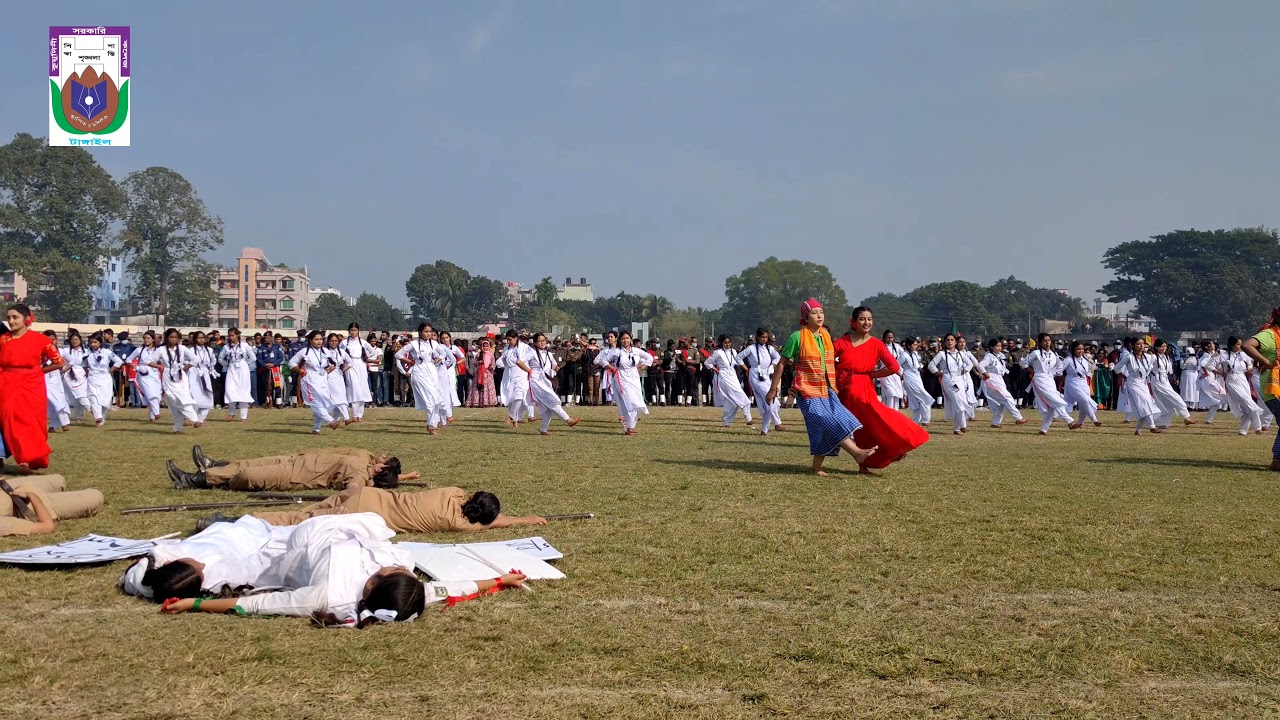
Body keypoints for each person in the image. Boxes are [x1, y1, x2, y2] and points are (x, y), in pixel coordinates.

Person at [161, 513, 525, 627]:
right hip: (346, 530)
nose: (399, 566)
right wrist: (501, 580)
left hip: (303, 544)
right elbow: (455, 587)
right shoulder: (411, 594)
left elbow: (254, 605)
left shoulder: (327, 596)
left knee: (244, 544)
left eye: (393, 569)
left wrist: (192, 605)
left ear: (374, 583)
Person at [766, 299, 877, 475]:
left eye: (821, 312)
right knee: (827, 422)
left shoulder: (825, 335)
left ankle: (817, 468)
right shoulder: (797, 337)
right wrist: (773, 389)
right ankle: (857, 453)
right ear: (805, 316)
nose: (819, 316)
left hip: (827, 391)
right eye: (814, 313)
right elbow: (781, 363)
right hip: (808, 391)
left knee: (834, 423)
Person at [831, 307, 928, 472]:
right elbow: (827, 361)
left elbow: (894, 366)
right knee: (863, 426)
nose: (866, 322)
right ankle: (873, 458)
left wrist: (872, 374)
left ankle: (893, 447)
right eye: (862, 319)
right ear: (854, 321)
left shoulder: (876, 344)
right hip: (844, 387)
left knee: (872, 422)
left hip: (863, 388)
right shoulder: (842, 341)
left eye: (869, 319)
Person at [247, 485, 549, 534]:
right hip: (365, 514)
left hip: (367, 493)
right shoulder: (457, 524)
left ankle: (249, 518)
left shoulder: (453, 493)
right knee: (299, 521)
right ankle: (241, 522)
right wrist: (525, 519)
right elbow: (494, 524)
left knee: (308, 510)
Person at [120, 515, 290, 600]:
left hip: (233, 526)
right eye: (201, 573)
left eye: (192, 563)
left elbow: (135, 575)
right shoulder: (218, 578)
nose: (201, 565)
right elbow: (259, 568)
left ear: (171, 563)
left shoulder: (160, 558)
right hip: (261, 535)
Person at [167, 445, 416, 491]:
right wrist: (405, 477)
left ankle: (193, 480)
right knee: (250, 464)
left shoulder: (361, 474)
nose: (382, 455)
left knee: (248, 475)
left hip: (294, 475)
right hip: (297, 459)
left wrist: (365, 489)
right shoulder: (366, 458)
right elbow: (390, 479)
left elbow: (354, 489)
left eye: (385, 459)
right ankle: (213, 466)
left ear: (381, 468)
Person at [0, 306, 64, 469]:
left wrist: (37, 372)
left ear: (26, 318)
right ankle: (18, 456)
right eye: (9, 317)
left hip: (32, 384)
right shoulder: (3, 339)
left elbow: (59, 362)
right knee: (9, 420)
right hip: (7, 382)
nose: (11, 321)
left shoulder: (41, 340)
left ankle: (29, 458)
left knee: (30, 421)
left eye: (15, 317)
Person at [0, 474, 103, 536]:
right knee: (96, 497)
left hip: (6, 487)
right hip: (26, 506)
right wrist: (32, 497)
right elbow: (47, 526)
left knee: (58, 480)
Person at [1020, 333, 1080, 435]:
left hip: (1050, 379)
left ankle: (1044, 429)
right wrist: (1032, 371)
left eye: (1048, 340)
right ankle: (1069, 421)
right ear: (1040, 342)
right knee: (1055, 399)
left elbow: (1059, 367)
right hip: (1039, 379)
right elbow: (1023, 363)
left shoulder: (1053, 354)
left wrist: (1055, 373)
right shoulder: (1036, 353)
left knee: (1051, 407)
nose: (1047, 343)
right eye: (1044, 341)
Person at [595, 330, 653, 435]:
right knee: (629, 400)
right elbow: (603, 360)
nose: (625, 340)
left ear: (630, 339)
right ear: (620, 340)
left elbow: (649, 358)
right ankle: (629, 427)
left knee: (636, 401)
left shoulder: (636, 350)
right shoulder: (616, 351)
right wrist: (612, 369)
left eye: (627, 338)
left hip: (634, 377)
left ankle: (630, 426)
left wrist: (642, 367)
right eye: (623, 339)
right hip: (621, 377)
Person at [395, 323, 449, 434]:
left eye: (430, 331)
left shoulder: (433, 343)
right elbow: (398, 354)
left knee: (435, 396)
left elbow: (443, 353)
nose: (428, 333)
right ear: (420, 332)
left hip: (431, 370)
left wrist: (436, 361)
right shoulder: (413, 344)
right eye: (426, 331)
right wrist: (410, 361)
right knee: (429, 398)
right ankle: (431, 425)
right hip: (419, 371)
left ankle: (433, 423)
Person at [289, 330, 342, 434]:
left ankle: (316, 428)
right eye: (316, 339)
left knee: (324, 403)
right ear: (310, 340)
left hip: (322, 379)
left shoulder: (325, 351)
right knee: (315, 402)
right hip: (309, 379)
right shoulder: (304, 351)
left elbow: (334, 362)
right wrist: (300, 370)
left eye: (321, 339)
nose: (319, 342)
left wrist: (331, 368)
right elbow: (291, 362)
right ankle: (331, 421)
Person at [528, 333, 581, 435]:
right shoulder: (532, 353)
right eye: (539, 341)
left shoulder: (548, 353)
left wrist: (552, 370)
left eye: (543, 340)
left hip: (546, 381)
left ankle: (543, 429)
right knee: (554, 401)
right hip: (536, 382)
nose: (542, 342)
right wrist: (530, 371)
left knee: (549, 409)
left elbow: (555, 364)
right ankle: (568, 420)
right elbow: (520, 362)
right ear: (535, 343)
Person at [929, 333, 981, 435]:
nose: (950, 342)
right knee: (959, 401)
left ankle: (956, 428)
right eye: (947, 340)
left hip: (959, 379)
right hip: (948, 379)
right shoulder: (942, 354)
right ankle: (963, 425)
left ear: (955, 342)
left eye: (952, 340)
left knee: (961, 401)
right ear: (944, 342)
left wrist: (965, 370)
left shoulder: (960, 354)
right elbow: (931, 365)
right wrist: (937, 373)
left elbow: (970, 363)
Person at [738, 328, 785, 435]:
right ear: (757, 337)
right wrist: (745, 367)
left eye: (766, 337)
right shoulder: (751, 348)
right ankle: (777, 423)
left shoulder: (769, 348)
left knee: (767, 404)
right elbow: (738, 357)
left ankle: (764, 430)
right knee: (770, 398)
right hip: (755, 374)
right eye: (762, 337)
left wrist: (773, 364)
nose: (764, 339)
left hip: (767, 374)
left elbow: (778, 357)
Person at [1113, 337, 1161, 435]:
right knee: (1145, 403)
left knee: (1146, 404)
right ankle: (1152, 426)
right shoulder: (1129, 357)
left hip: (1143, 383)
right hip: (1133, 383)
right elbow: (1117, 368)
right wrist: (1124, 377)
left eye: (1142, 343)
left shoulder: (1148, 357)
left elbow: (1155, 362)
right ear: (1133, 345)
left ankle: (1138, 430)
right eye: (1138, 344)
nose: (1141, 346)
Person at [705, 334, 753, 428]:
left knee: (732, 401)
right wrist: (716, 369)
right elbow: (707, 362)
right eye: (725, 343)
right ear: (721, 343)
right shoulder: (718, 352)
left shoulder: (734, 351)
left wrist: (747, 369)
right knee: (740, 395)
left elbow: (738, 362)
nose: (727, 344)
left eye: (729, 342)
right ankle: (748, 418)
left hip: (733, 375)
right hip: (723, 376)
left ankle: (727, 421)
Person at [1220, 336, 1264, 436]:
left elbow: (1250, 364)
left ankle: (1245, 430)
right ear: (1232, 345)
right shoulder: (1224, 355)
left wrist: (1248, 369)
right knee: (1245, 401)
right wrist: (1220, 371)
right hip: (1231, 379)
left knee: (1246, 405)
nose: (1240, 346)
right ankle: (1257, 415)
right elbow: (1209, 364)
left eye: (1240, 344)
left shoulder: (1243, 355)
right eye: (1237, 344)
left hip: (1242, 379)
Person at [978, 338, 1026, 428]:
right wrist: (985, 374)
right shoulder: (989, 356)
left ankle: (995, 422)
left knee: (1000, 403)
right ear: (991, 347)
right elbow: (980, 365)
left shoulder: (1000, 356)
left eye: (1000, 346)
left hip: (999, 379)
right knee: (1007, 397)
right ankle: (1018, 418)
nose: (999, 348)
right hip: (992, 379)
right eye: (997, 346)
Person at [1149, 339, 1196, 429]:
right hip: (1157, 381)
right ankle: (1186, 417)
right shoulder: (1153, 357)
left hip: (1165, 380)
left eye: (1165, 346)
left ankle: (1165, 423)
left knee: (1166, 403)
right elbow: (1147, 367)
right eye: (1161, 346)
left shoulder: (1166, 357)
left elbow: (1170, 371)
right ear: (1156, 347)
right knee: (1175, 397)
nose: (1163, 348)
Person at [1059, 341, 1101, 427]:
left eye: (1082, 349)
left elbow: (1088, 371)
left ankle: (1079, 422)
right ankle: (1094, 419)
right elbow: (1059, 370)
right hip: (1072, 383)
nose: (1080, 351)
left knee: (1083, 404)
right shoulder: (1068, 360)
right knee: (1085, 400)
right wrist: (1063, 376)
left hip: (1083, 382)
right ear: (1073, 350)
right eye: (1078, 349)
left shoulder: (1084, 359)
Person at [340, 323, 376, 423]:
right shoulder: (344, 343)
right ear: (349, 331)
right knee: (354, 388)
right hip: (350, 365)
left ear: (358, 331)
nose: (353, 332)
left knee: (362, 388)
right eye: (352, 330)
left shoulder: (363, 342)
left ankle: (360, 415)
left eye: (355, 330)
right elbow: (339, 353)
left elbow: (373, 351)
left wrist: (367, 358)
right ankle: (355, 415)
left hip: (361, 365)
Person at [498, 330, 536, 427]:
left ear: (516, 338)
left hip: (521, 373)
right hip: (508, 374)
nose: (508, 342)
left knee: (519, 394)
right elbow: (503, 359)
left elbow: (532, 353)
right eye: (507, 340)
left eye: (510, 339)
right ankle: (515, 419)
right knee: (509, 398)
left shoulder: (524, 347)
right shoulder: (506, 348)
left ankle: (511, 416)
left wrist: (522, 361)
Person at [218, 327, 255, 422]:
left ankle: (243, 416)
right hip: (231, 369)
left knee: (244, 390)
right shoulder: (226, 347)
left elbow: (253, 357)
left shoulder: (245, 345)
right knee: (230, 390)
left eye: (233, 335)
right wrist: (226, 365)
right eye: (229, 336)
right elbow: (220, 358)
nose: (231, 337)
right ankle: (231, 413)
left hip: (243, 369)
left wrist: (245, 363)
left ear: (237, 335)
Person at [84, 332, 122, 426]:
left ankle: (102, 419)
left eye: (95, 342)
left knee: (105, 400)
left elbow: (119, 361)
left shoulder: (107, 352)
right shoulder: (87, 354)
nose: (93, 344)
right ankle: (98, 417)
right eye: (91, 342)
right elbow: (83, 364)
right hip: (93, 378)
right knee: (93, 397)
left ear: (100, 343)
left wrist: (112, 369)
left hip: (105, 379)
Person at [898, 337, 934, 427]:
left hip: (917, 376)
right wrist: (901, 374)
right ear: (909, 346)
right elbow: (896, 365)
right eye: (914, 345)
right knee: (924, 396)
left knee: (915, 400)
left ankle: (915, 421)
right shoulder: (904, 355)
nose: (916, 346)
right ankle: (925, 420)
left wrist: (920, 369)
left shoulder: (914, 354)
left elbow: (917, 365)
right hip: (909, 377)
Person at [60, 332, 93, 423]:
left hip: (82, 375)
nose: (74, 341)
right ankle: (91, 410)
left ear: (80, 340)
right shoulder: (65, 350)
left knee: (81, 396)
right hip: (68, 375)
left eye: (76, 340)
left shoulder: (86, 351)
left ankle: (86, 413)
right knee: (72, 397)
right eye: (72, 340)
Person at [43, 330, 72, 433]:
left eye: (53, 339)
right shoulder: (41, 351)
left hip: (57, 378)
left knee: (57, 400)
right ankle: (64, 422)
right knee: (53, 400)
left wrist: (63, 370)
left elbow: (72, 361)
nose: (51, 342)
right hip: (45, 377)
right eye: (48, 340)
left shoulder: (60, 351)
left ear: (56, 339)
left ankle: (53, 425)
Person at [188, 331, 219, 425]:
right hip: (194, 373)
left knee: (208, 394)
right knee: (194, 394)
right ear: (194, 339)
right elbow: (186, 361)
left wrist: (210, 368)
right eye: (199, 338)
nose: (201, 339)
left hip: (205, 373)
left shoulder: (209, 350)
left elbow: (213, 360)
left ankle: (201, 419)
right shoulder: (191, 350)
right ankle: (193, 417)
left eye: (203, 337)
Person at [324, 333, 353, 425]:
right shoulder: (324, 352)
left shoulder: (342, 352)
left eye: (336, 341)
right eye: (332, 341)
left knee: (339, 396)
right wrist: (327, 371)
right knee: (338, 396)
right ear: (328, 342)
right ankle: (347, 418)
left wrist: (343, 369)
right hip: (329, 376)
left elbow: (350, 362)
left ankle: (334, 420)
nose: (334, 343)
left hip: (339, 376)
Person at [1197, 340, 1228, 423]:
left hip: (1209, 377)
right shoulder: (1207, 355)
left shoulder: (1211, 354)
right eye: (1211, 344)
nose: (1213, 345)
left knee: (1217, 401)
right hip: (1207, 378)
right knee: (1222, 393)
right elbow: (1203, 364)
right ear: (1207, 346)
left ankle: (1209, 419)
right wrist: (1207, 373)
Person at [878, 330, 905, 409]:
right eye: (888, 338)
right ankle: (888, 413)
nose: (890, 339)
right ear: (884, 338)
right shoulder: (880, 346)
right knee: (890, 394)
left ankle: (895, 413)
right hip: (885, 373)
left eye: (891, 337)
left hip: (896, 373)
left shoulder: (896, 346)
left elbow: (904, 354)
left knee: (897, 394)